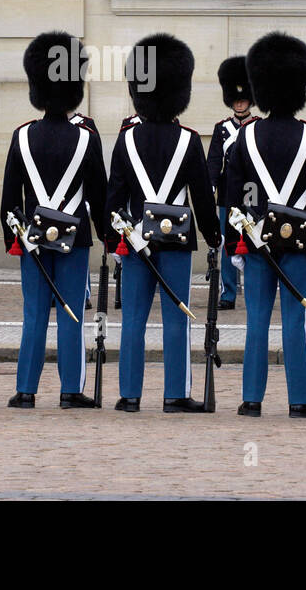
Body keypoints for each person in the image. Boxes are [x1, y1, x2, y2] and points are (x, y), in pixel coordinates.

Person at [223, 33, 306, 418]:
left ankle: (251, 399)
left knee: (257, 321)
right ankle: (300, 399)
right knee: (295, 320)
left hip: (258, 242)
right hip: (297, 244)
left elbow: (237, 194)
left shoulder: (245, 136)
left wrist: (235, 242)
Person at [107, 33, 220, 413]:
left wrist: (114, 240)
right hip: (176, 241)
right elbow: (202, 196)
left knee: (134, 321)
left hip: (137, 240)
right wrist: (213, 234)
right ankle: (175, 394)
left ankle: (129, 395)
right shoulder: (188, 140)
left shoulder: (126, 140)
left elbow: (114, 197)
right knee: (177, 317)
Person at [0, 31, 108, 409]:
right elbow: (99, 195)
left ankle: (25, 390)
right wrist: (110, 238)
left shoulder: (22, 135)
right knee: (70, 315)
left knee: (33, 316)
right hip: (74, 240)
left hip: (32, 240)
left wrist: (12, 238)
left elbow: (9, 198)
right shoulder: (86, 138)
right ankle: (70, 391)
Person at [205, 56, 256, 310]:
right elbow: (214, 160)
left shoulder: (258, 127)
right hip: (227, 193)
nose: (239, 103)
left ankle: (255, 289)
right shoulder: (221, 128)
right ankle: (228, 293)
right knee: (228, 244)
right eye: (236, 99)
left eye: (243, 99)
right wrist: (211, 185)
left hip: (253, 194)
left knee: (253, 242)